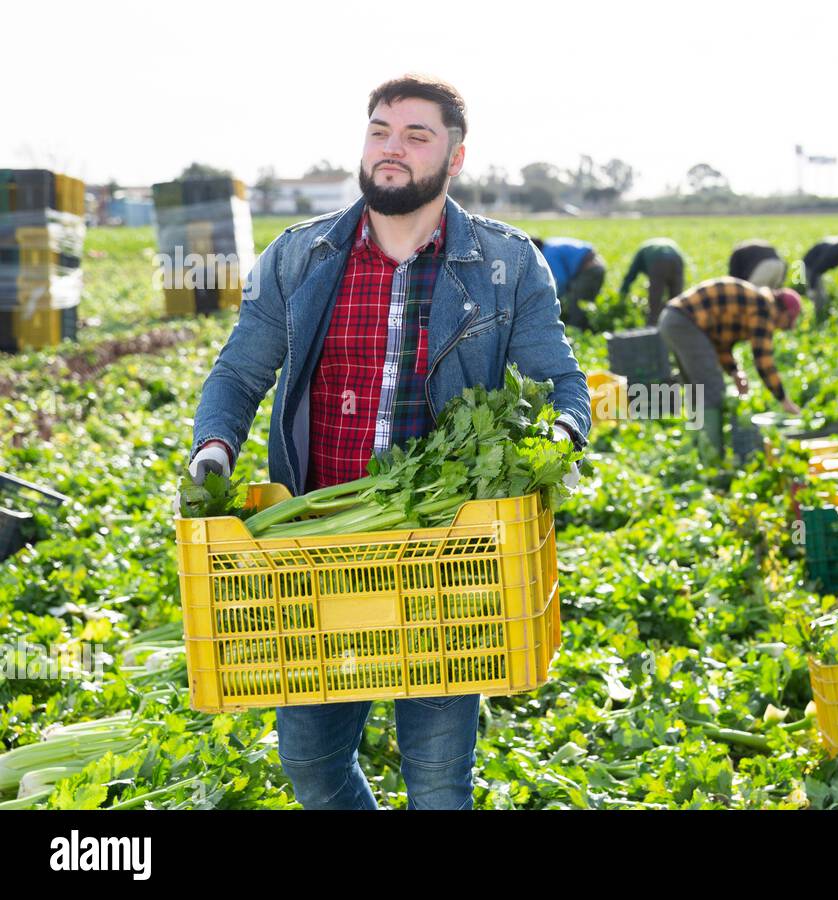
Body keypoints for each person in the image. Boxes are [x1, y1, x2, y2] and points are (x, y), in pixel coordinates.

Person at [183, 74, 591, 810]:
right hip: (313, 555)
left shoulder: (506, 265)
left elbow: (562, 383)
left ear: (456, 157)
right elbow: (239, 372)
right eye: (379, 130)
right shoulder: (298, 257)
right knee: (312, 771)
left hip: (444, 565)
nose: (391, 148)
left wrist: (554, 440)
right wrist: (212, 450)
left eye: (416, 134)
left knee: (438, 787)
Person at [657, 277, 802, 462]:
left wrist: (734, 371)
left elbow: (720, 342)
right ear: (783, 311)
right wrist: (783, 398)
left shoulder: (755, 302)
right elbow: (763, 359)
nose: (784, 326)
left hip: (673, 319)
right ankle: (712, 460)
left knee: (696, 390)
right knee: (712, 388)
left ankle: (698, 449)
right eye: (789, 320)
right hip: (685, 321)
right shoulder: (764, 307)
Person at [531, 236, 606, 330]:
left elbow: (561, 280)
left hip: (589, 269)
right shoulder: (551, 244)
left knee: (577, 306)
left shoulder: (548, 253)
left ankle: (574, 334)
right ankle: (590, 329)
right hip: (597, 265)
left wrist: (554, 299)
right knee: (585, 305)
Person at [618, 237, 685, 324]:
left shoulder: (641, 252)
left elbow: (631, 275)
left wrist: (623, 292)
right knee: (677, 300)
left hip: (659, 260)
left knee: (654, 303)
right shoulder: (647, 249)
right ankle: (678, 324)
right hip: (677, 259)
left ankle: (652, 328)